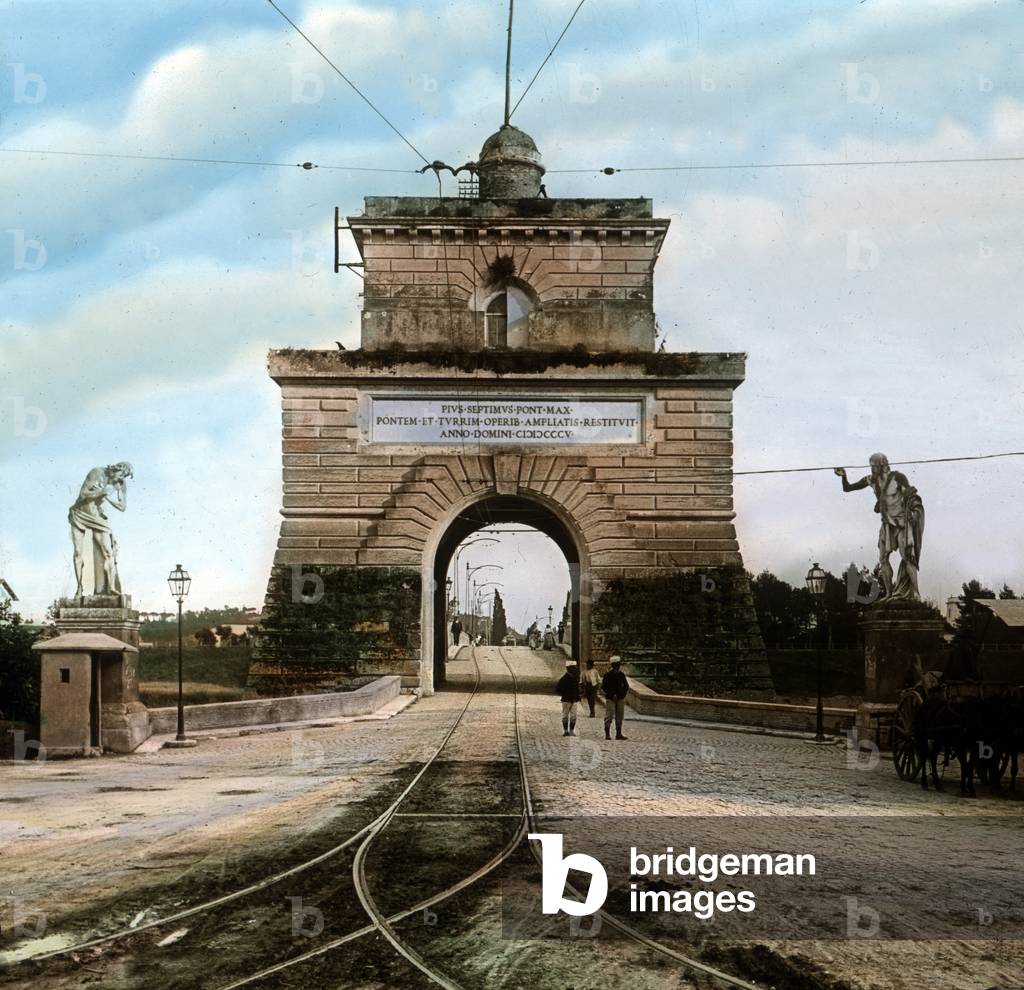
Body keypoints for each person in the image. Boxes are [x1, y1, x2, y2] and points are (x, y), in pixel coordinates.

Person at [601, 657, 629, 740]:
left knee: (619, 716)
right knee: (609, 716)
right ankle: (607, 733)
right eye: (616, 664)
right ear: (613, 665)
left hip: (620, 698)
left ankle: (618, 733)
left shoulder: (621, 675)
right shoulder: (608, 675)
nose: (617, 666)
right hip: (610, 698)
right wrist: (612, 694)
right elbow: (604, 687)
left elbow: (626, 686)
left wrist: (621, 695)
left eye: (618, 664)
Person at [555, 661, 581, 737]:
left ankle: (572, 730)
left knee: (573, 716)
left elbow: (577, 689)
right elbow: (558, 689)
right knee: (565, 716)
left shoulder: (575, 678)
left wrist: (577, 696)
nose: (574, 670)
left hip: (574, 700)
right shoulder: (564, 679)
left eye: (574, 668)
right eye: (572, 668)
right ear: (568, 669)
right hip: (566, 700)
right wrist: (565, 695)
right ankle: (566, 730)